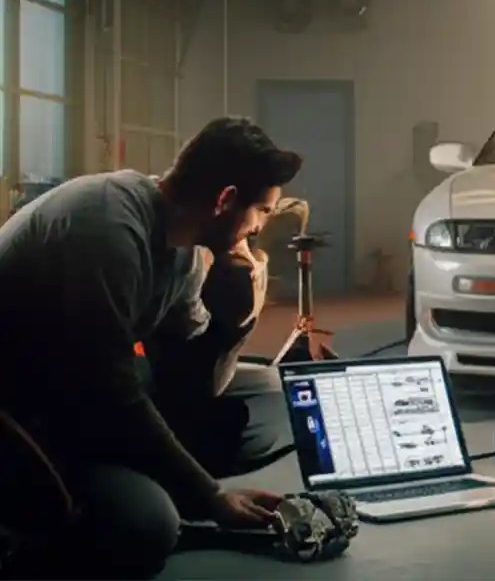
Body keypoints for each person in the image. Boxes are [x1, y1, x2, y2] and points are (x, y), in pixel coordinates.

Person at [0, 117, 303, 578]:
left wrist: (235, 325)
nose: (259, 228)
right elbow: (112, 391)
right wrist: (209, 496)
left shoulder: (186, 251)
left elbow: (192, 379)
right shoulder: (106, 227)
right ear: (225, 200)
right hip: (21, 414)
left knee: (273, 392)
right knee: (149, 526)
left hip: (76, 397)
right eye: (261, 211)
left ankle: (151, 476)